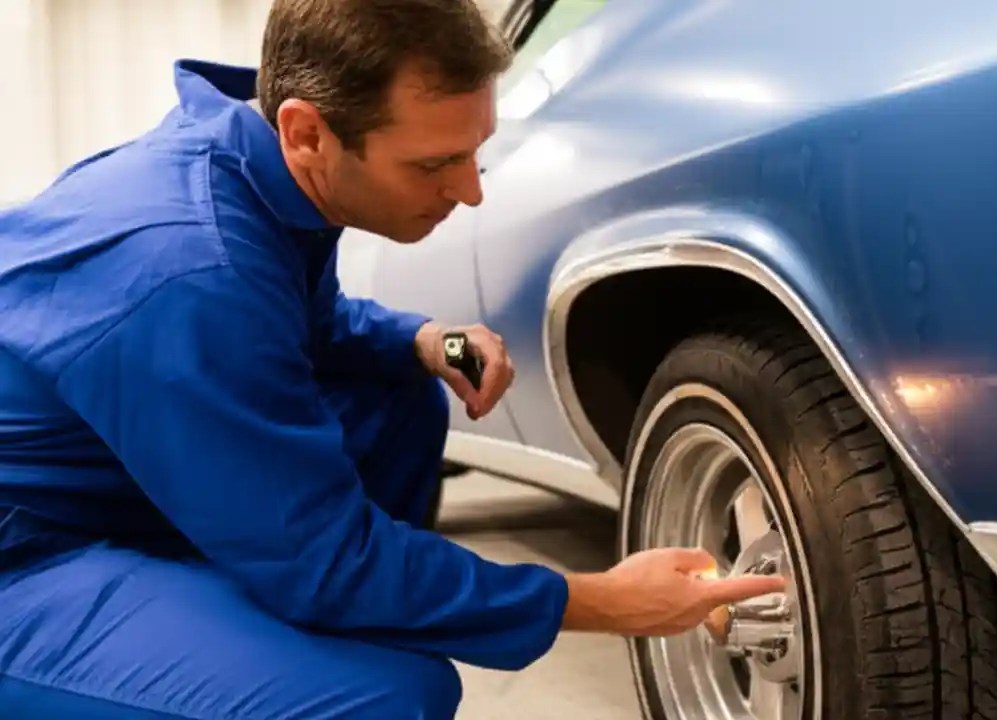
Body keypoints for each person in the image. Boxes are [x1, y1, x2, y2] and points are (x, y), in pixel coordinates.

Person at [0, 0, 785, 717]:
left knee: (398, 392)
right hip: (24, 555)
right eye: (433, 164)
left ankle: (335, 624)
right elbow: (321, 557)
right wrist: (602, 601)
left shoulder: (250, 171)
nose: (471, 192)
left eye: (474, 152)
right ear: (309, 132)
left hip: (101, 481)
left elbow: (305, 325)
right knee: (391, 697)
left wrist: (426, 341)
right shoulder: (188, 267)